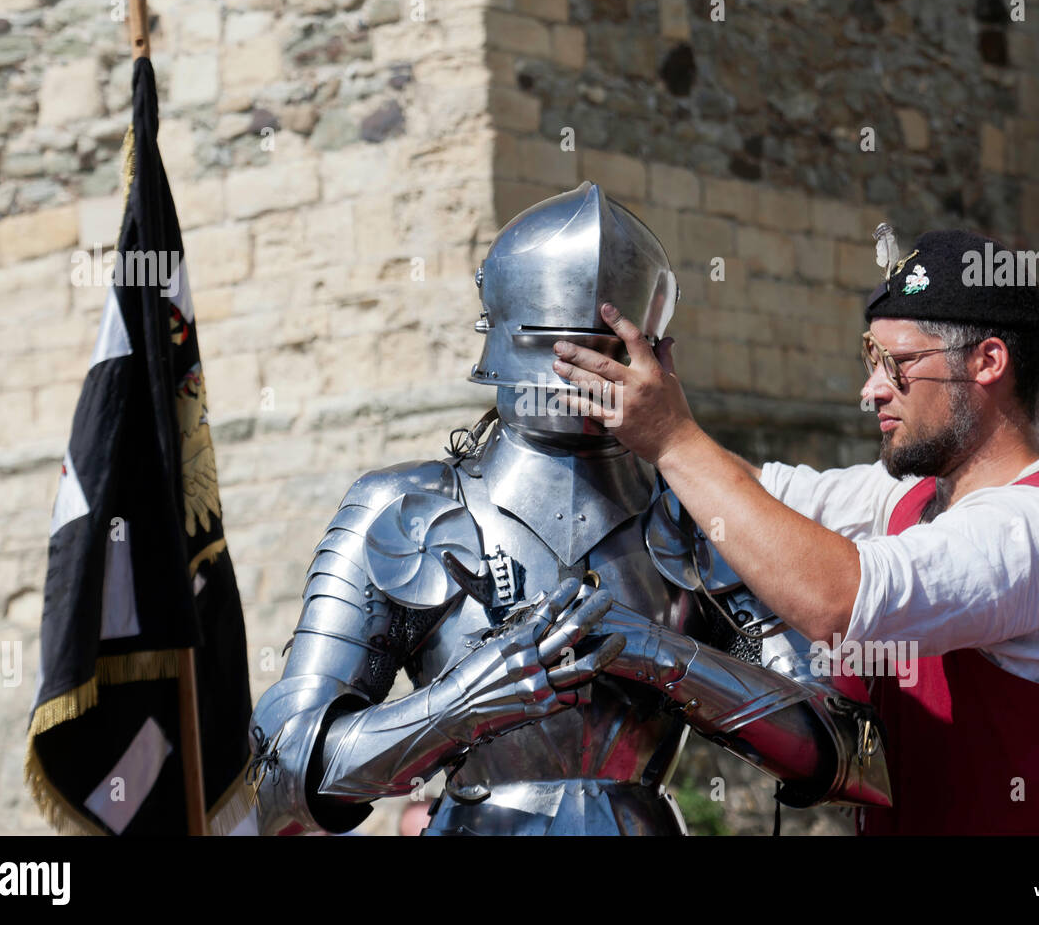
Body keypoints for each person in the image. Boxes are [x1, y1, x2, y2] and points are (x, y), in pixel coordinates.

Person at [245, 182, 893, 836]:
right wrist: (463, 702)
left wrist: (665, 657)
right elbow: (283, 773)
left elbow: (849, 751)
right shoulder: (407, 508)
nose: (584, 379)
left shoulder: (700, 516)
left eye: (609, 353)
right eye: (563, 351)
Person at [551, 227, 1039, 834]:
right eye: (871, 360)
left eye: (900, 363)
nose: (871, 389)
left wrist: (673, 440)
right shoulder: (912, 494)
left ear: (988, 362)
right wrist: (657, 414)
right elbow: (753, 494)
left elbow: (839, 601)